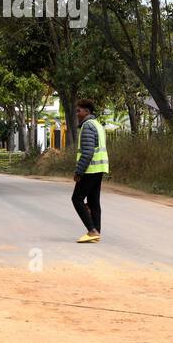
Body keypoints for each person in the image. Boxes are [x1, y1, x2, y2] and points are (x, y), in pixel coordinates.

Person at [71, 98, 109, 243]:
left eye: (79, 110)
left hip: (90, 168)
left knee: (77, 199)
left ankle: (92, 230)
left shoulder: (87, 126)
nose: (77, 113)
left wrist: (78, 172)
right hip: (99, 168)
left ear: (87, 111)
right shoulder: (97, 125)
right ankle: (96, 232)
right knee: (93, 201)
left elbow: (87, 152)